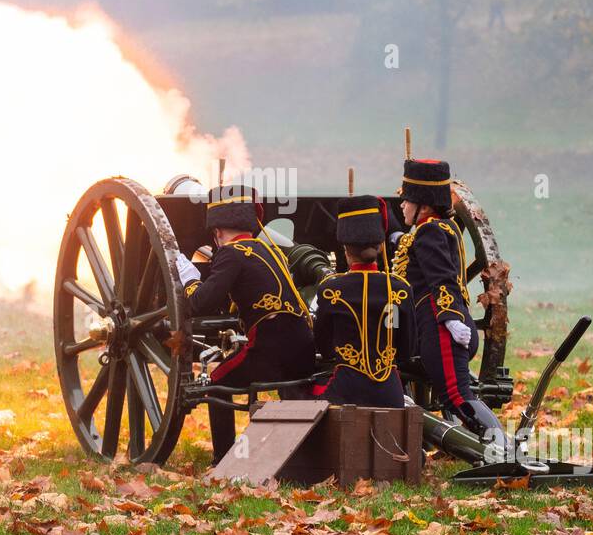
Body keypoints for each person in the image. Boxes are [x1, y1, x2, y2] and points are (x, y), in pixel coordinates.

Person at [175, 185, 317, 463]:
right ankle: (300, 458)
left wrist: (190, 278)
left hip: (270, 349)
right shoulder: (270, 250)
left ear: (217, 233)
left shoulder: (230, 253)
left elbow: (199, 303)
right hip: (303, 346)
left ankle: (223, 461)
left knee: (217, 383)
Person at [391, 158, 509, 451]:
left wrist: (450, 317)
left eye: (407, 200)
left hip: (442, 327)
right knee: (455, 395)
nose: (402, 205)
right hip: (438, 327)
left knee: (458, 396)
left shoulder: (429, 231)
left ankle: (503, 451)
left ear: (425, 204)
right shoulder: (441, 228)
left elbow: (441, 279)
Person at [310, 195, 415, 407]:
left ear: (345, 250)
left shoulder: (331, 289)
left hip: (345, 391)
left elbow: (324, 347)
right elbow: (407, 348)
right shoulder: (399, 288)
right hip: (389, 392)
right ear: (379, 247)